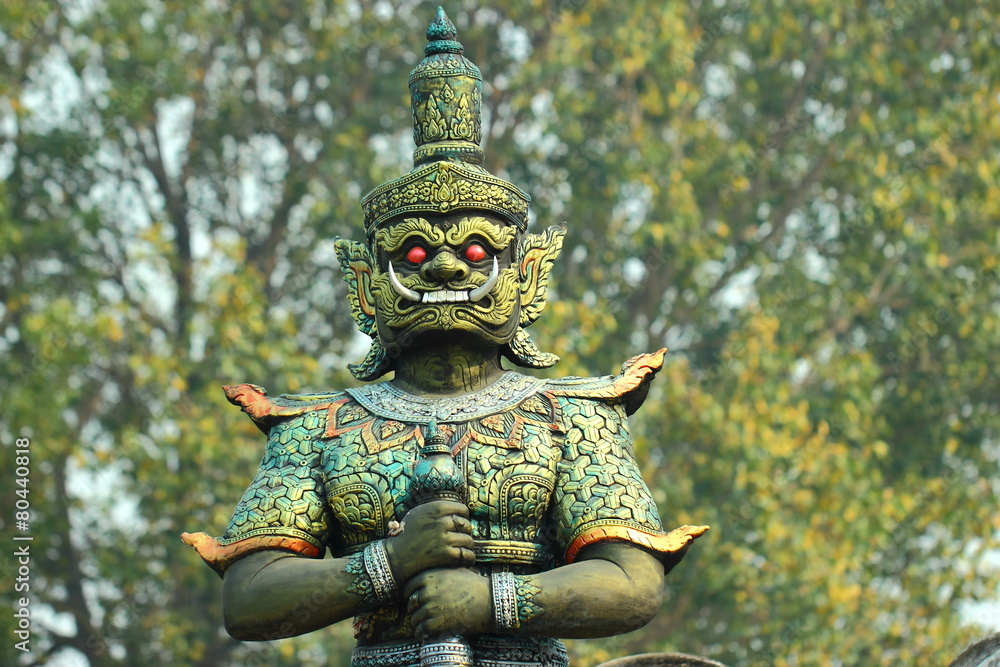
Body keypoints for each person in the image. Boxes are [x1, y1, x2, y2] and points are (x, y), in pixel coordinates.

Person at [182, 8, 707, 667]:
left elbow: (632, 584)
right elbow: (249, 598)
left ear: (527, 276)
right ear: (364, 284)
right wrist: (388, 562)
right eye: (413, 252)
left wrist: (491, 602)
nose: (446, 267)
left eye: (479, 248)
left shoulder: (571, 418)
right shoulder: (319, 430)